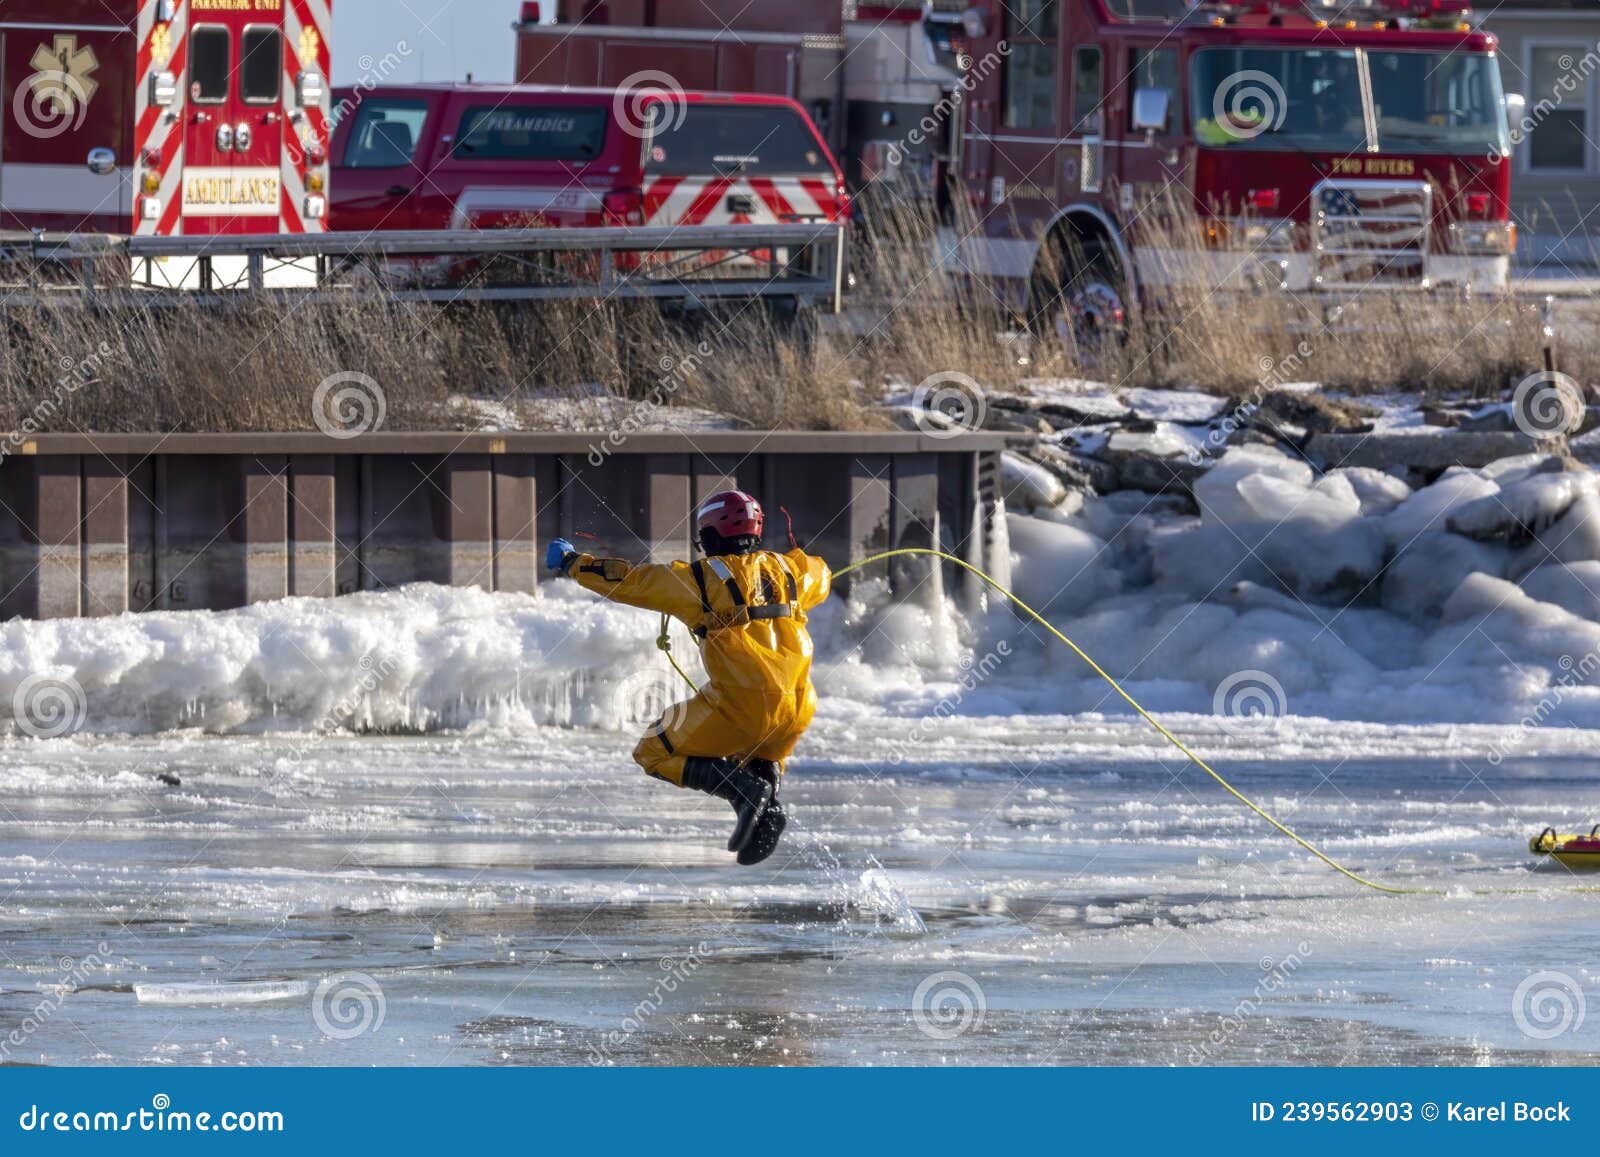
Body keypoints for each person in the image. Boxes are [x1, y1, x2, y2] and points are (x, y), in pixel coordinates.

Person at [545, 491, 832, 865]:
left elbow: (628, 581)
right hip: (799, 708)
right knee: (757, 755)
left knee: (652, 751)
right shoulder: (793, 571)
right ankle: (767, 809)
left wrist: (571, 563)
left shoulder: (697, 580)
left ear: (711, 535)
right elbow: (821, 571)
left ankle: (745, 796)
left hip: (745, 705)